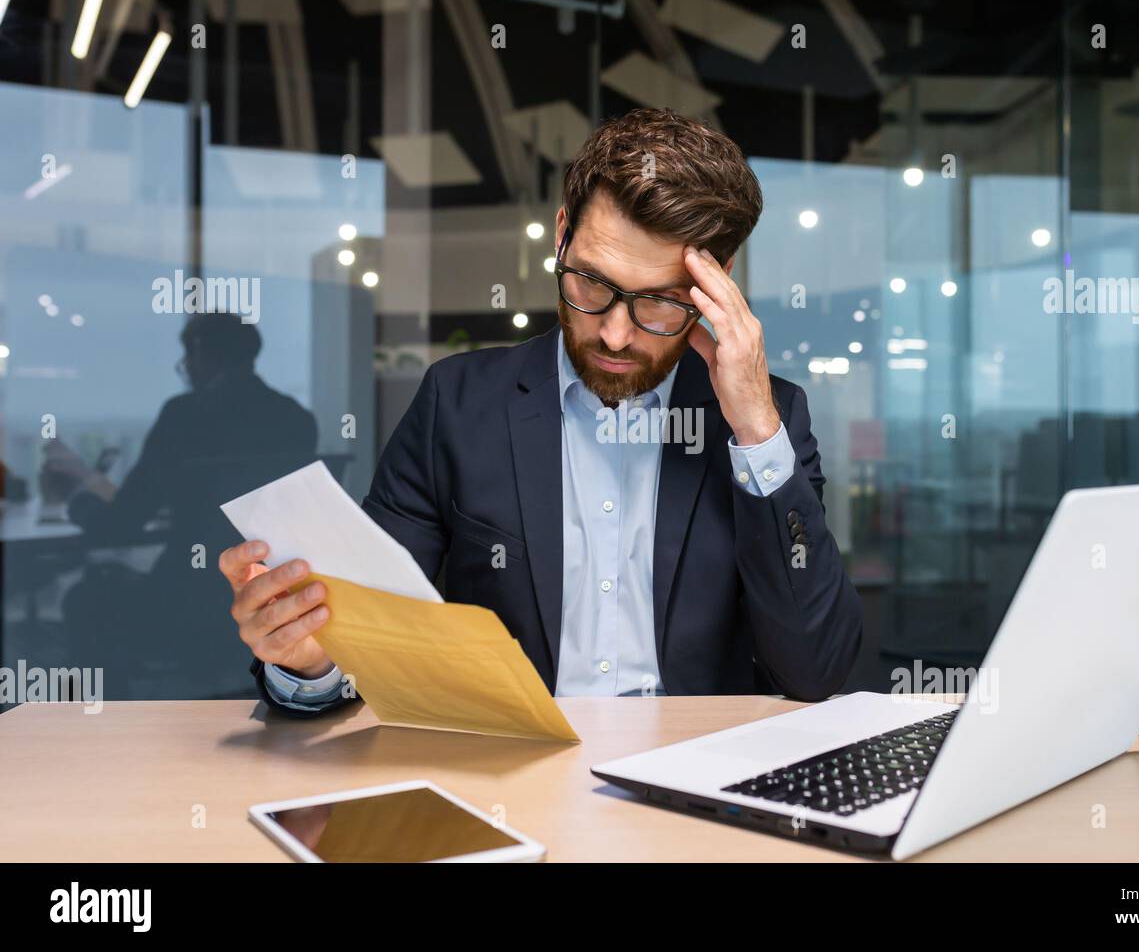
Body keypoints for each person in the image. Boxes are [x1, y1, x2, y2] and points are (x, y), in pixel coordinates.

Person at [220, 107, 862, 713]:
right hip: (510, 779)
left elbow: (815, 669)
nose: (614, 334)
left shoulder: (768, 422)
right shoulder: (459, 403)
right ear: (561, 236)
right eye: (591, 282)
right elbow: (371, 629)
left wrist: (755, 429)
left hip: (690, 788)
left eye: (660, 302)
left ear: (716, 284)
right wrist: (312, 663)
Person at [48, 312, 317, 697]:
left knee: (87, 599)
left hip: (185, 599)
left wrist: (77, 500)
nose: (186, 369)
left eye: (186, 358)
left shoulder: (184, 415)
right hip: (271, 598)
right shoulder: (297, 419)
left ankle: (99, 724)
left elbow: (123, 523)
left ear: (200, 352)